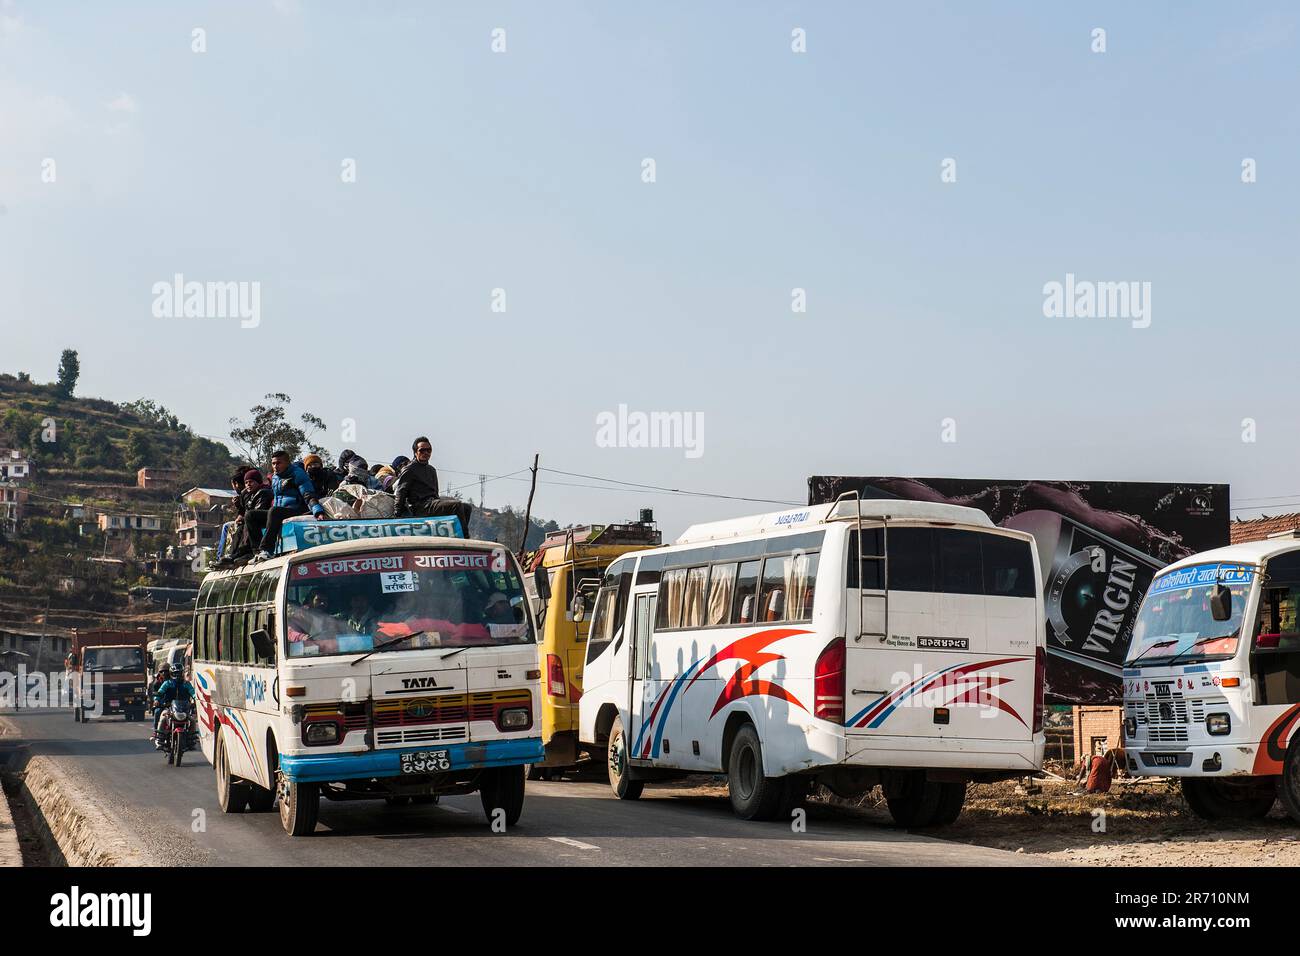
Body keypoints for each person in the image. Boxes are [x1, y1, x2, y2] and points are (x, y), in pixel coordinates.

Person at [245, 450, 328, 561]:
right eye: (273, 463)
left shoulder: (297, 474)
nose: (275, 466)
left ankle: (267, 550)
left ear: (287, 463)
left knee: (274, 511)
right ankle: (257, 552)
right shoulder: (275, 478)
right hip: (278, 512)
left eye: (278, 463)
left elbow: (308, 494)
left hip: (297, 509)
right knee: (250, 515)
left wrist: (317, 511)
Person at [392, 436, 473, 534]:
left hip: (433, 503)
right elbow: (401, 491)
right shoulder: (410, 469)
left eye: (429, 450)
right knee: (456, 505)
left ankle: (454, 533)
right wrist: (397, 514)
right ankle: (464, 535)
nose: (426, 453)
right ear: (415, 452)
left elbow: (435, 493)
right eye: (422, 450)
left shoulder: (431, 470)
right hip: (420, 506)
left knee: (466, 508)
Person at [153, 667, 195, 750]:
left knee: (192, 721)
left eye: (179, 673)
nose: (177, 675)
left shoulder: (186, 684)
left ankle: (191, 741)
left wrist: (195, 700)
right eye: (175, 673)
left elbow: (193, 692)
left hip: (184, 709)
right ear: (171, 674)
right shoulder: (167, 683)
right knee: (162, 718)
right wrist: (156, 700)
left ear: (182, 673)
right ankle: (159, 740)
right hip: (169, 708)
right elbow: (160, 692)